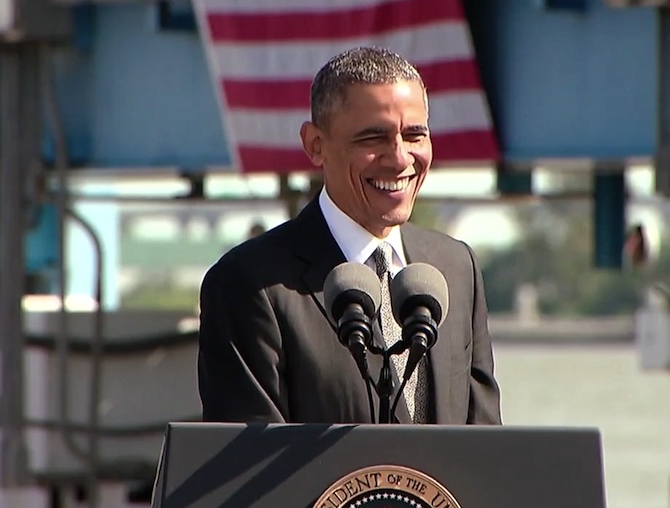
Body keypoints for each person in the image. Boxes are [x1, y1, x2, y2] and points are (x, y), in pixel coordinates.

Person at [198, 46, 501, 425]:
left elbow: (486, 447)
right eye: (373, 138)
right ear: (315, 145)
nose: (401, 157)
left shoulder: (457, 270)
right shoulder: (250, 284)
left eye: (414, 135)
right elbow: (248, 467)